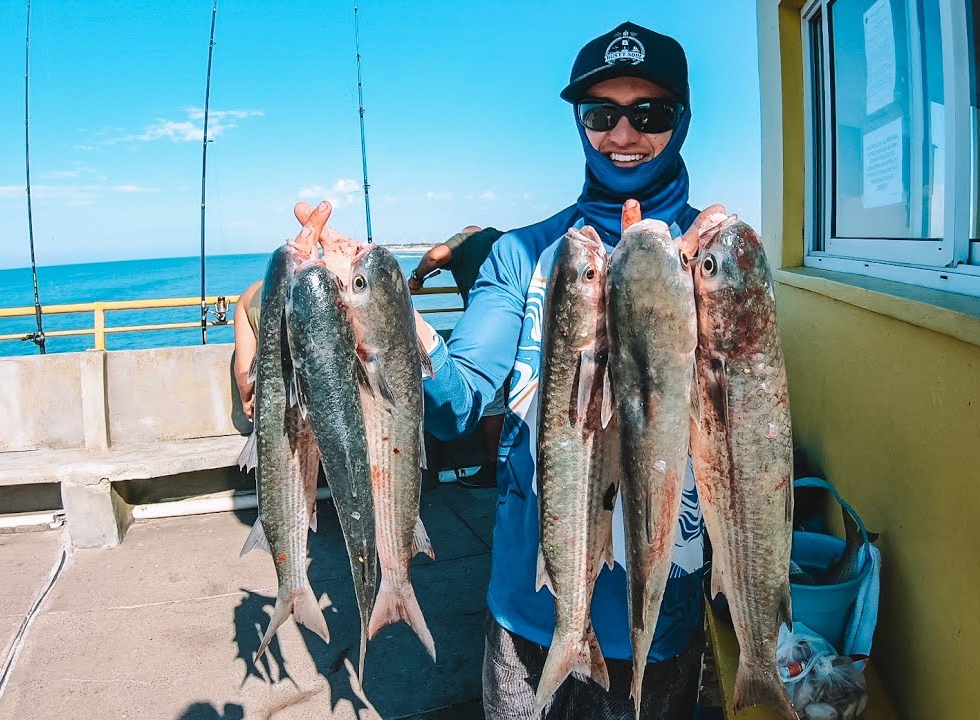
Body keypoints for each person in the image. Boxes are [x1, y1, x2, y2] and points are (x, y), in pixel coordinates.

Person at [288, 21, 727, 718]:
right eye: (600, 114)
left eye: (650, 113)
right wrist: (383, 319)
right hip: (528, 607)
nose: (623, 135)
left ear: (682, 121)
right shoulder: (522, 254)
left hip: (656, 612)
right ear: (579, 124)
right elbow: (456, 403)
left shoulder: (712, 260)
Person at [409, 225, 508, 489]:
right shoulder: (504, 241)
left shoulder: (466, 241)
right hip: (523, 327)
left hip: (492, 330)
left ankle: (494, 468)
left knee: (491, 402)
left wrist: (417, 278)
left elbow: (435, 256)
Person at [232, 279, 264, 421]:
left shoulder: (251, 293)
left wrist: (246, 400)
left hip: (275, 398)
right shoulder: (335, 276)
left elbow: (244, 371)